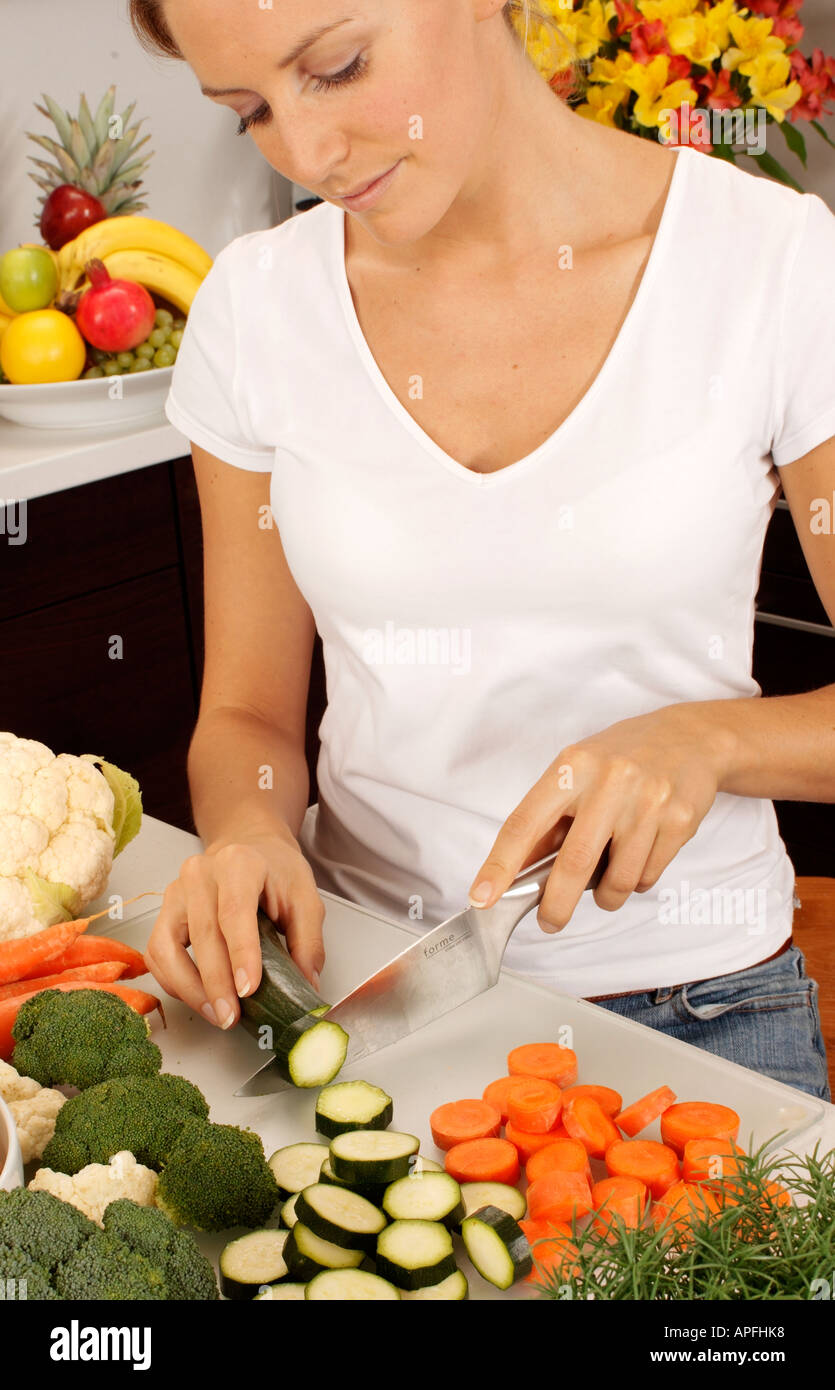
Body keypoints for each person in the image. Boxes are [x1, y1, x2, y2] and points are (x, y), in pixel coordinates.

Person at [131, 0, 835, 1100]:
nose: (309, 154)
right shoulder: (257, 308)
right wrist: (247, 832)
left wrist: (709, 743)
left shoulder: (774, 265)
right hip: (369, 993)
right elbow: (249, 719)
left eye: (339, 66)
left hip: (702, 1015)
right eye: (249, 112)